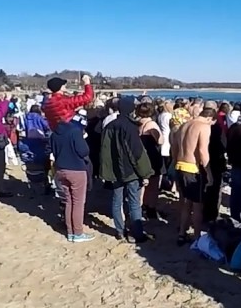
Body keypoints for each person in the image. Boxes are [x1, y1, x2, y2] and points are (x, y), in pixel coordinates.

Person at [100, 96, 154, 243]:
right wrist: (145, 173)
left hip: (115, 171)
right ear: (130, 109)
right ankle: (137, 233)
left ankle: (119, 231)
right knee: (134, 202)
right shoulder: (130, 127)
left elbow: (104, 151)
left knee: (117, 201)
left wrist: (106, 171)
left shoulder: (110, 126)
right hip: (131, 171)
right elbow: (137, 153)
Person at [172, 106, 216, 246]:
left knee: (186, 203)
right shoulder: (203, 126)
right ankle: (197, 236)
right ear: (210, 118)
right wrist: (209, 172)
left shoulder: (184, 125)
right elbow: (203, 151)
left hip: (180, 165)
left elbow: (176, 147)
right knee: (197, 205)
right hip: (192, 168)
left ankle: (181, 234)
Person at [52, 110, 93, 242]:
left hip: (60, 169)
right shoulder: (74, 131)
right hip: (76, 169)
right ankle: (78, 233)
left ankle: (70, 232)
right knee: (78, 202)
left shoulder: (54, 133)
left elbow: (52, 150)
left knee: (69, 201)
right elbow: (84, 151)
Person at [136, 103, 165, 222]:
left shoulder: (137, 123)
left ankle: (142, 208)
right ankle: (151, 209)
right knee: (153, 186)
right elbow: (160, 140)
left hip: (142, 156)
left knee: (143, 185)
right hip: (152, 157)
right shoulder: (151, 124)